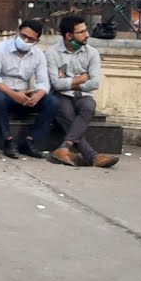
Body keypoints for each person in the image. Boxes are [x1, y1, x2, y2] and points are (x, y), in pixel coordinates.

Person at [44, 16, 118, 168]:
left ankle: (64, 148)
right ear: (69, 35)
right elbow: (57, 84)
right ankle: (93, 157)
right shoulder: (52, 53)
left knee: (89, 107)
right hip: (62, 95)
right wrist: (81, 78)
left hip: (83, 95)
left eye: (86, 31)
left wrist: (72, 83)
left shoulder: (92, 53)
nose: (87, 35)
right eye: (82, 32)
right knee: (66, 112)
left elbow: (95, 83)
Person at [0, 19, 61, 158]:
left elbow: (44, 82)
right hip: (3, 92)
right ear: (17, 32)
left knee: (53, 102)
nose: (25, 40)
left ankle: (29, 141)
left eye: (30, 39)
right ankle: (8, 141)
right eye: (23, 36)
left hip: (24, 96)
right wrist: (13, 94)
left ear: (36, 41)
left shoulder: (39, 55)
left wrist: (37, 95)